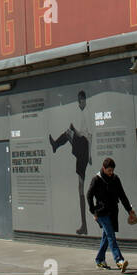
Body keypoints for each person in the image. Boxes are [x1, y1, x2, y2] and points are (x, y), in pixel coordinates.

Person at [49, 89, 92, 235]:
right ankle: (84, 225)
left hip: (83, 147)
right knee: (80, 186)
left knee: (69, 131)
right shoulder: (82, 113)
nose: (81, 102)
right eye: (80, 100)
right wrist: (89, 156)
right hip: (83, 152)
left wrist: (74, 129)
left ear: (83, 100)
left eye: (82, 100)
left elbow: (87, 135)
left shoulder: (86, 114)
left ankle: (55, 144)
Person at [86, 156, 137, 272]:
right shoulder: (96, 179)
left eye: (112, 170)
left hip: (113, 212)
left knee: (106, 236)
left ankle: (99, 259)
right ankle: (119, 260)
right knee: (111, 237)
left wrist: (129, 210)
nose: (111, 173)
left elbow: (122, 196)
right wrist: (93, 211)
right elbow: (89, 195)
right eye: (109, 170)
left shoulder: (115, 179)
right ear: (104, 168)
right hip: (102, 213)